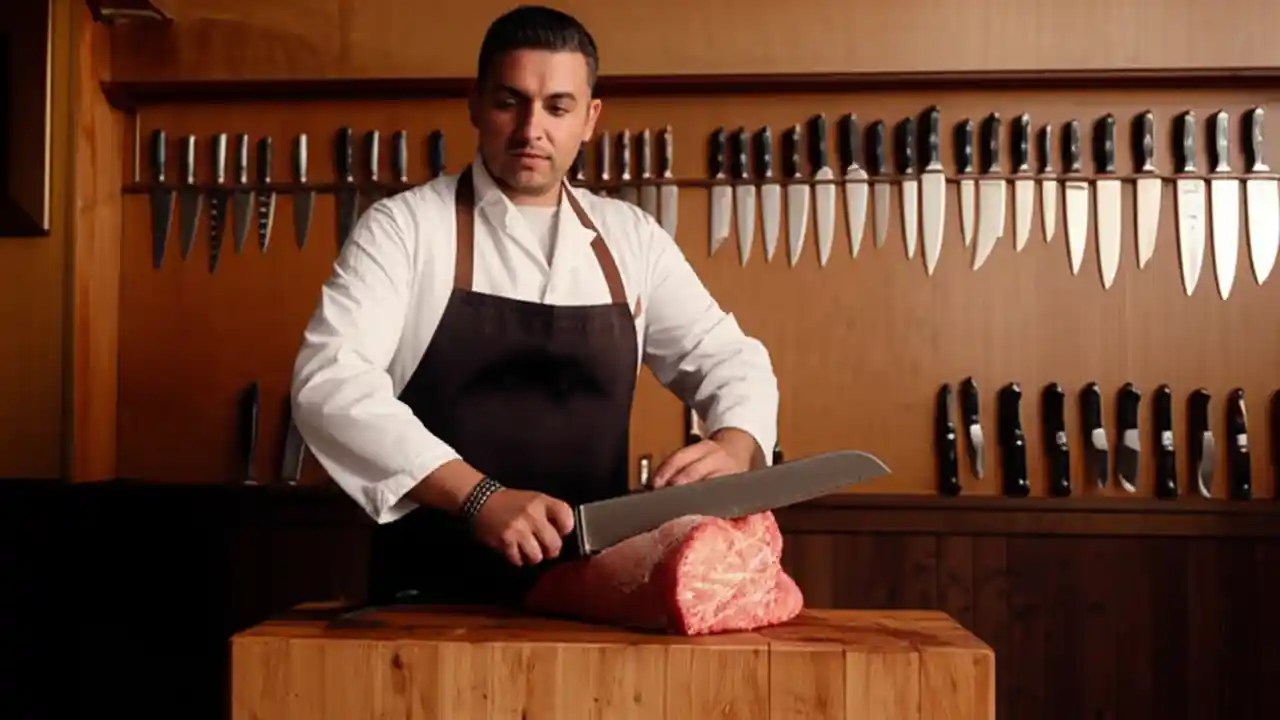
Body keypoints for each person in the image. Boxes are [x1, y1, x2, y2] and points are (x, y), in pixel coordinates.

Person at [289, 5, 779, 606]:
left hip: (592, 594)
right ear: (475, 104)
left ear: (590, 118)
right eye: (509, 102)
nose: (531, 130)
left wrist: (734, 444)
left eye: (557, 107)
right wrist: (477, 497)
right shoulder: (405, 228)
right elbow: (330, 382)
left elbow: (730, 359)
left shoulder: (632, 239)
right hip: (428, 597)